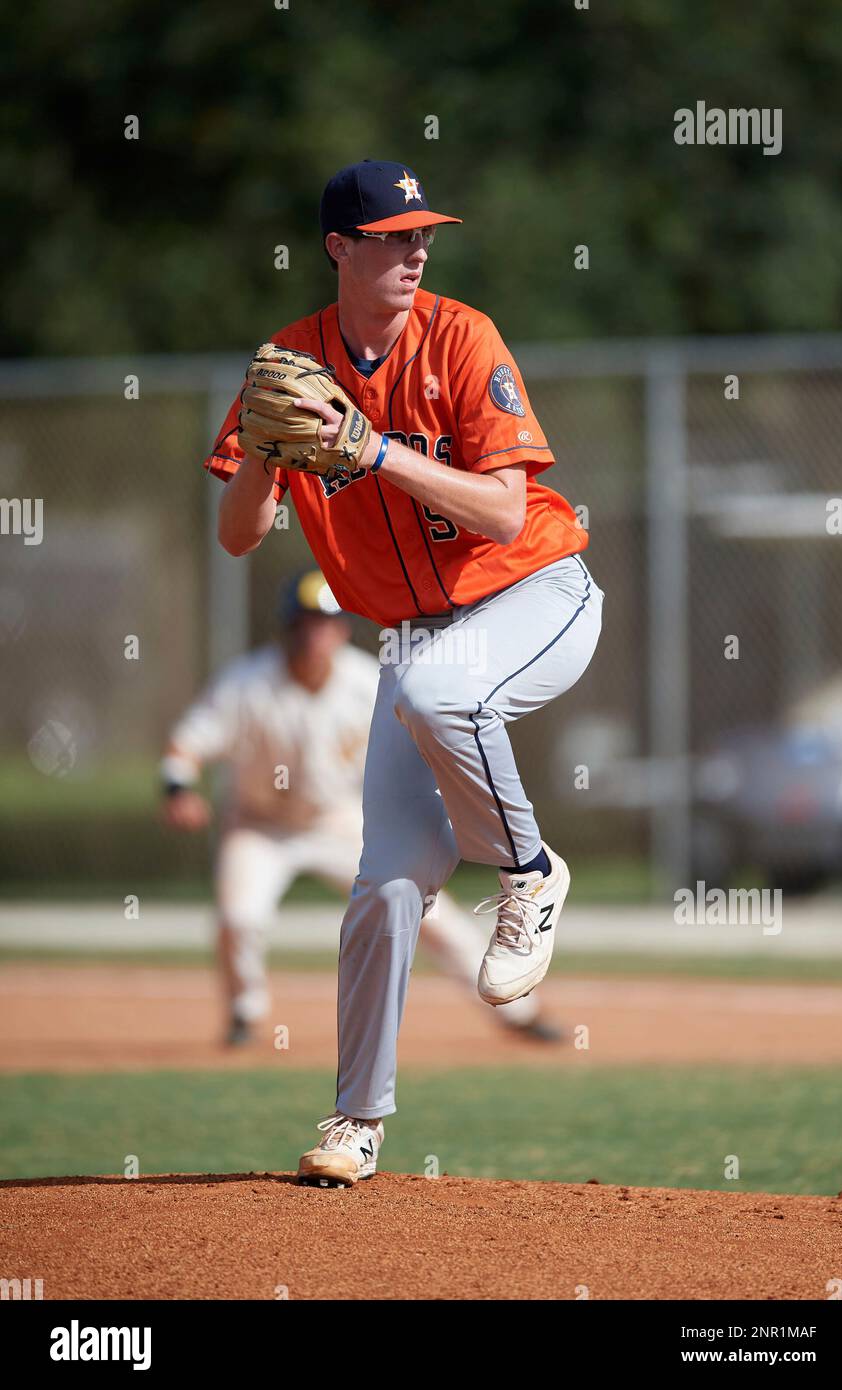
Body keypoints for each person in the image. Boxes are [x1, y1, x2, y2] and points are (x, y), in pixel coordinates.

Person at [205, 159, 604, 1187]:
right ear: (339, 246)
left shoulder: (461, 337)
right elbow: (240, 537)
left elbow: (506, 512)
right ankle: (355, 1123)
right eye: (390, 234)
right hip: (419, 637)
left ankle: (527, 872)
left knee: (439, 691)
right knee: (384, 886)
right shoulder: (288, 361)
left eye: (422, 233)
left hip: (536, 596)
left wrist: (370, 449)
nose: (414, 249)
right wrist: (263, 451)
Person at [160, 569, 562, 1046]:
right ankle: (245, 1013)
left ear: (341, 629)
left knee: (429, 912)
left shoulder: (363, 680)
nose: (315, 634)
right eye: (305, 622)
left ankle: (519, 1010)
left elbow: (417, 747)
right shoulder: (247, 684)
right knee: (239, 918)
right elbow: (185, 746)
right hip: (259, 826)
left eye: (325, 622)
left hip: (339, 821)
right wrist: (177, 789)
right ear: (287, 627)